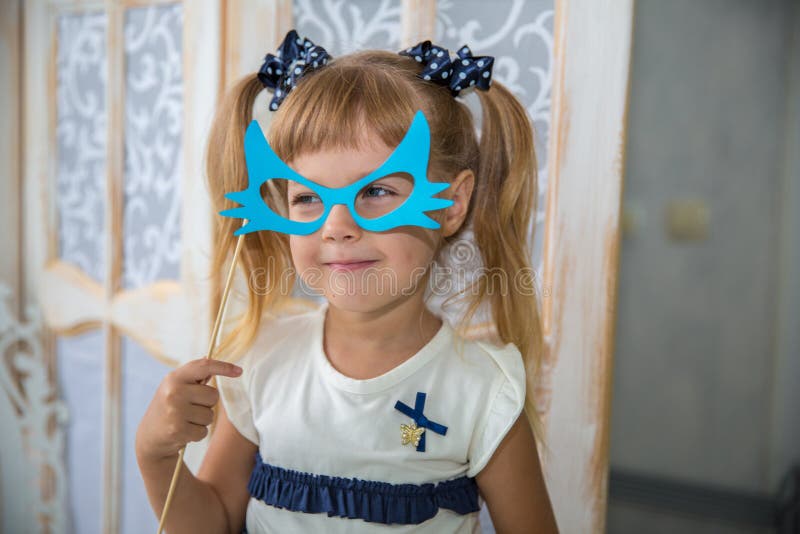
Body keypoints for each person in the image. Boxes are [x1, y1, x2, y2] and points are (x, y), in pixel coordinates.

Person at [135, 29, 558, 533]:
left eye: (377, 190)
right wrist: (155, 456)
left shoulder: (484, 391)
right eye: (307, 198)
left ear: (451, 205)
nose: (336, 226)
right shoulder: (261, 360)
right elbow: (214, 524)